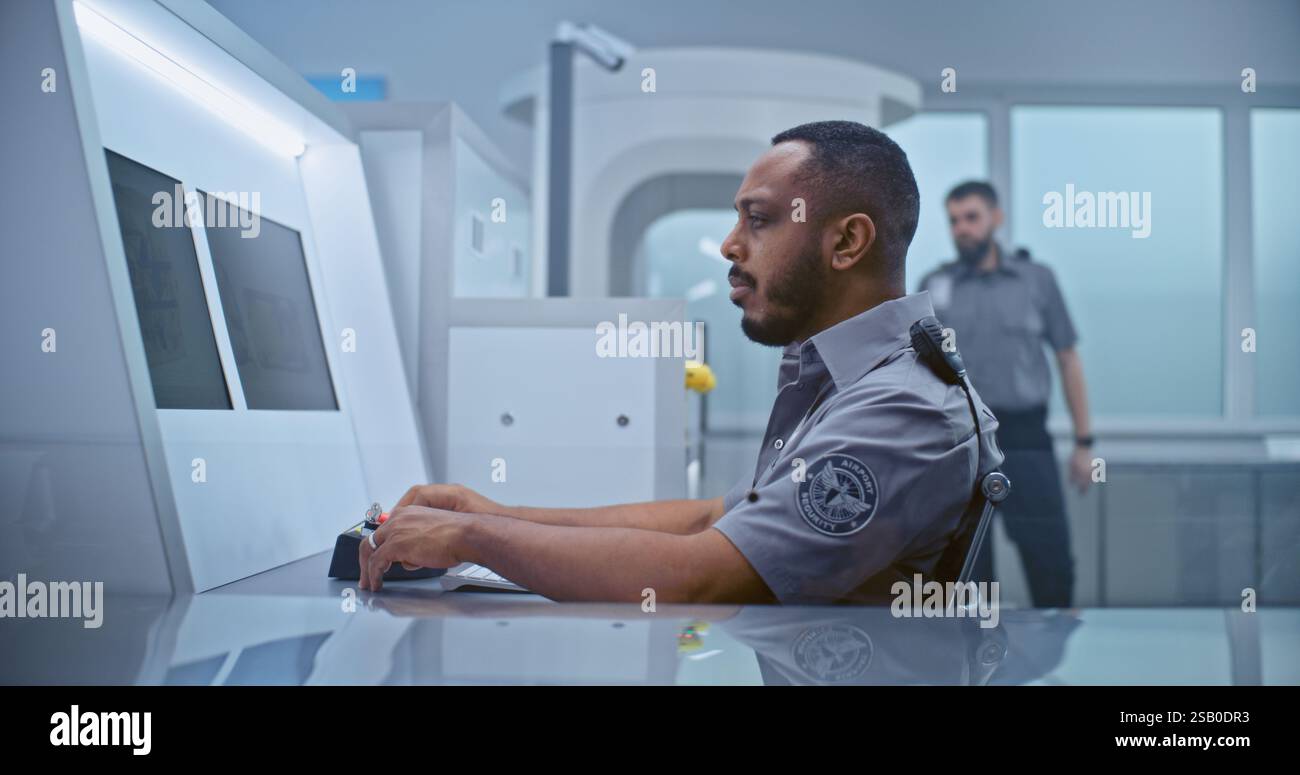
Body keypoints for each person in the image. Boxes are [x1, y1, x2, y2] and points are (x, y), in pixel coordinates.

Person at [359, 121, 1002, 604]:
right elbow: (708, 521)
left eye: (759, 219)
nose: (730, 244)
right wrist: (486, 513)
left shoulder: (900, 409)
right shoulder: (850, 384)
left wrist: (475, 541)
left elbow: (704, 577)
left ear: (847, 242)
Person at [918, 181, 1093, 607]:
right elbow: (916, 372)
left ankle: (1057, 666)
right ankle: (975, 668)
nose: (962, 229)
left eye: (972, 218)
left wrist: (1085, 443)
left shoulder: (1037, 280)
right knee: (965, 569)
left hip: (1025, 436)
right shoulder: (933, 286)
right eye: (954, 220)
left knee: (1049, 557)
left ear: (996, 219)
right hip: (959, 439)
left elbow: (1068, 359)